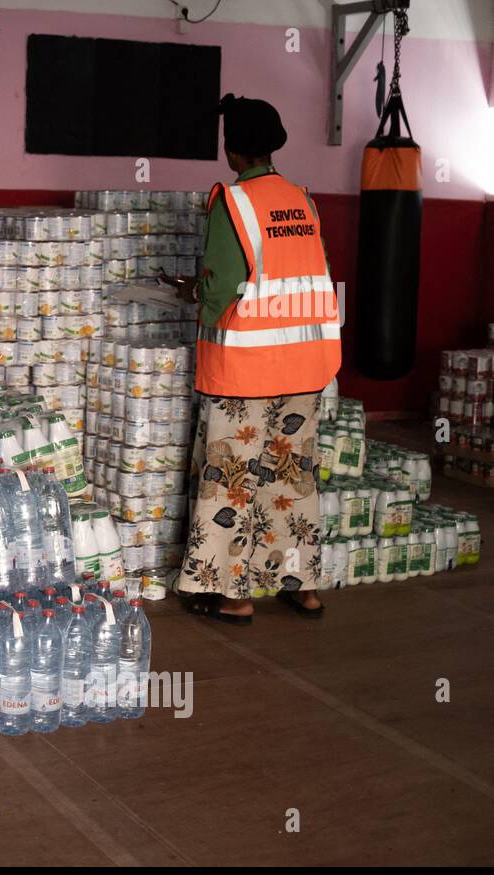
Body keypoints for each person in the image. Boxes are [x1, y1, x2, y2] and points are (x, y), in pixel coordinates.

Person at [173, 94, 341, 625]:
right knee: (292, 478)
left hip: (248, 371)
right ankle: (302, 587)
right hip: (306, 365)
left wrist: (194, 294)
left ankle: (233, 597)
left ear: (233, 149)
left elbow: (223, 285)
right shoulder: (303, 200)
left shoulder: (233, 202)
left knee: (232, 479)